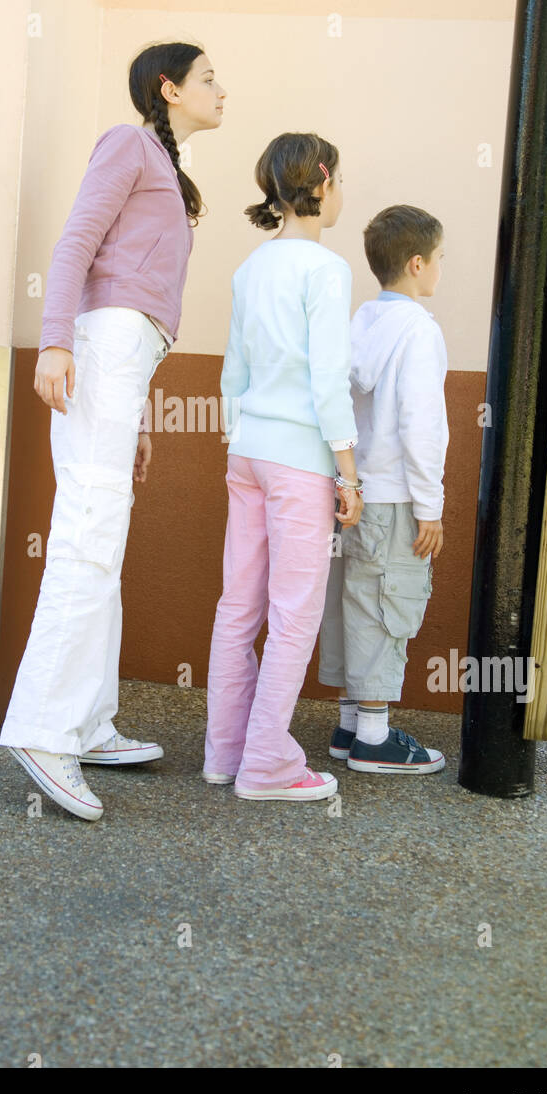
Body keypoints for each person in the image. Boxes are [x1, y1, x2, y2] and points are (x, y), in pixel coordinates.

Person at [0, 42, 227, 821]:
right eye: (207, 78)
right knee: (87, 535)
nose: (219, 89)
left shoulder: (166, 165)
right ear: (167, 89)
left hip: (123, 363)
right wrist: (56, 340)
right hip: (98, 349)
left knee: (106, 538)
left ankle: (88, 724)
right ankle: (42, 729)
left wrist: (132, 414)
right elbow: (76, 244)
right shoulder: (128, 142)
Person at [204, 132, 363, 802]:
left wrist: (236, 437)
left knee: (237, 605)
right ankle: (267, 766)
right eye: (341, 180)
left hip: (248, 455)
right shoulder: (324, 272)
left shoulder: (252, 267)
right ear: (321, 183)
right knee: (292, 613)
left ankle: (226, 753)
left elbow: (231, 372)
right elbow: (329, 382)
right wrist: (348, 472)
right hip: (299, 460)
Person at [318, 204, 448, 772]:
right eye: (440, 258)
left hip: (355, 492)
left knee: (353, 602)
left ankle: (350, 726)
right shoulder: (419, 330)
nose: (442, 269)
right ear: (417, 264)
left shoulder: (362, 321)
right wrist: (431, 507)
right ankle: (374, 738)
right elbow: (423, 425)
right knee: (388, 603)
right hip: (396, 496)